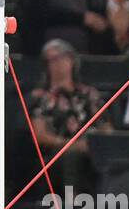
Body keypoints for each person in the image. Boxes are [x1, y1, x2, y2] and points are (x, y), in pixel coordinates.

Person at [28, 39, 111, 192]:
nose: (57, 63)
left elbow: (107, 128)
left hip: (91, 148)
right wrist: (72, 145)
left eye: (61, 57)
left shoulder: (89, 94)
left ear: (72, 60)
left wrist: (96, 144)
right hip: (57, 153)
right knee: (71, 156)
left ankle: (114, 207)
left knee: (111, 156)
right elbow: (40, 135)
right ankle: (74, 208)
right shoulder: (41, 97)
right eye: (51, 60)